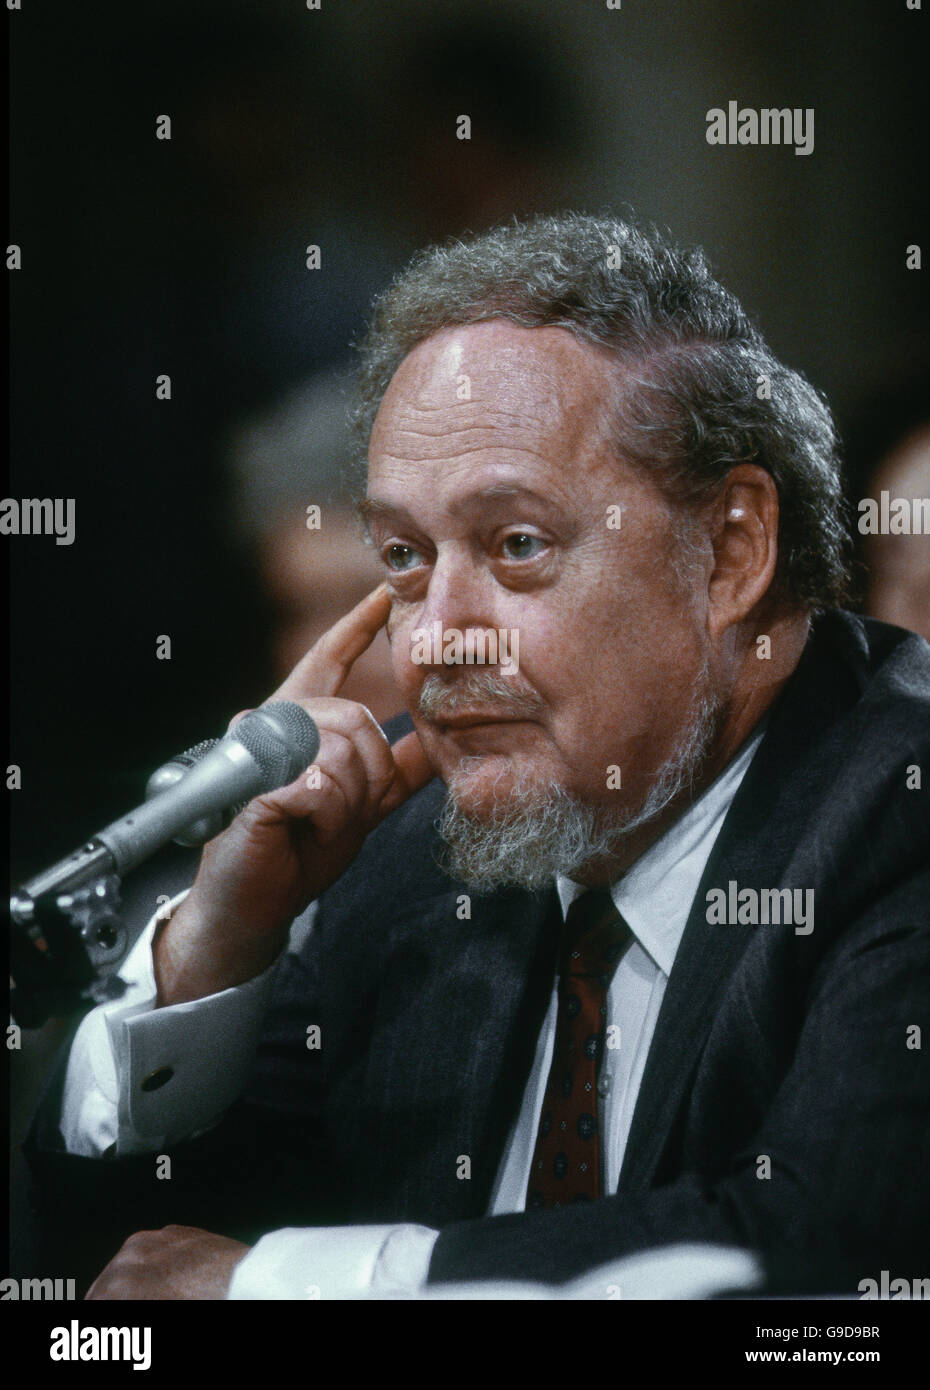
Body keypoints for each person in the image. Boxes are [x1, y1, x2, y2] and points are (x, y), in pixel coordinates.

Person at [24, 214, 930, 1299]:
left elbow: (822, 1250)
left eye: (517, 544)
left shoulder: (898, 806)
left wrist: (288, 1289)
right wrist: (221, 945)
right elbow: (112, 1277)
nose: (437, 637)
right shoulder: (413, 861)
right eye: (404, 556)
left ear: (729, 551)